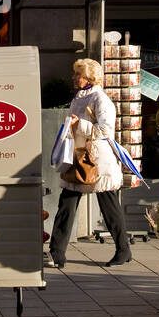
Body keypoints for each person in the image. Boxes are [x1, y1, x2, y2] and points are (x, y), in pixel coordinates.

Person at [48, 58, 131, 269]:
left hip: (97, 159)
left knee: (109, 205)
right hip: (78, 156)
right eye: (75, 73)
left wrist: (80, 124)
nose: (74, 77)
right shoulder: (78, 97)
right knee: (67, 202)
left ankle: (123, 249)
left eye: (78, 74)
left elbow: (105, 131)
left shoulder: (101, 99)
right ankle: (57, 252)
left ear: (90, 78)